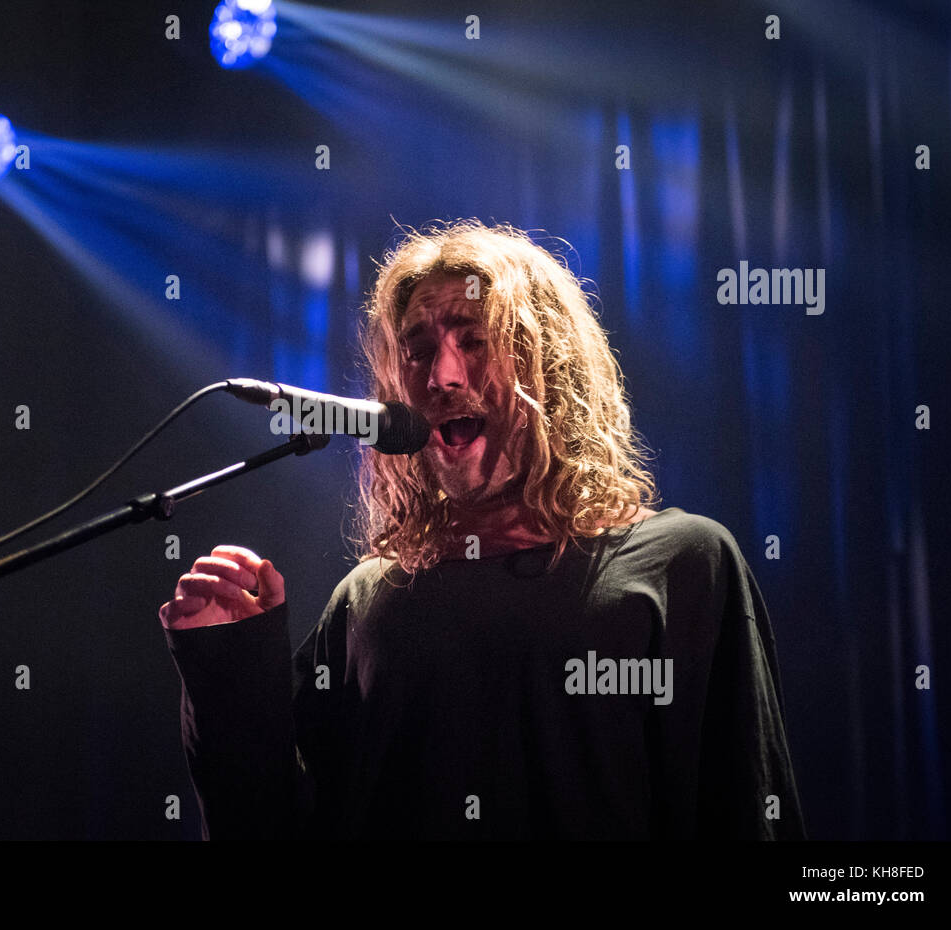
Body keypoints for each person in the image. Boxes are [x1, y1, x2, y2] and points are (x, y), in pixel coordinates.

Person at [157, 219, 806, 840]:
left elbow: (746, 811)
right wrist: (230, 671)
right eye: (417, 350)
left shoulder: (682, 565)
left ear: (546, 365)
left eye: (472, 339)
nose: (441, 375)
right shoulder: (367, 605)